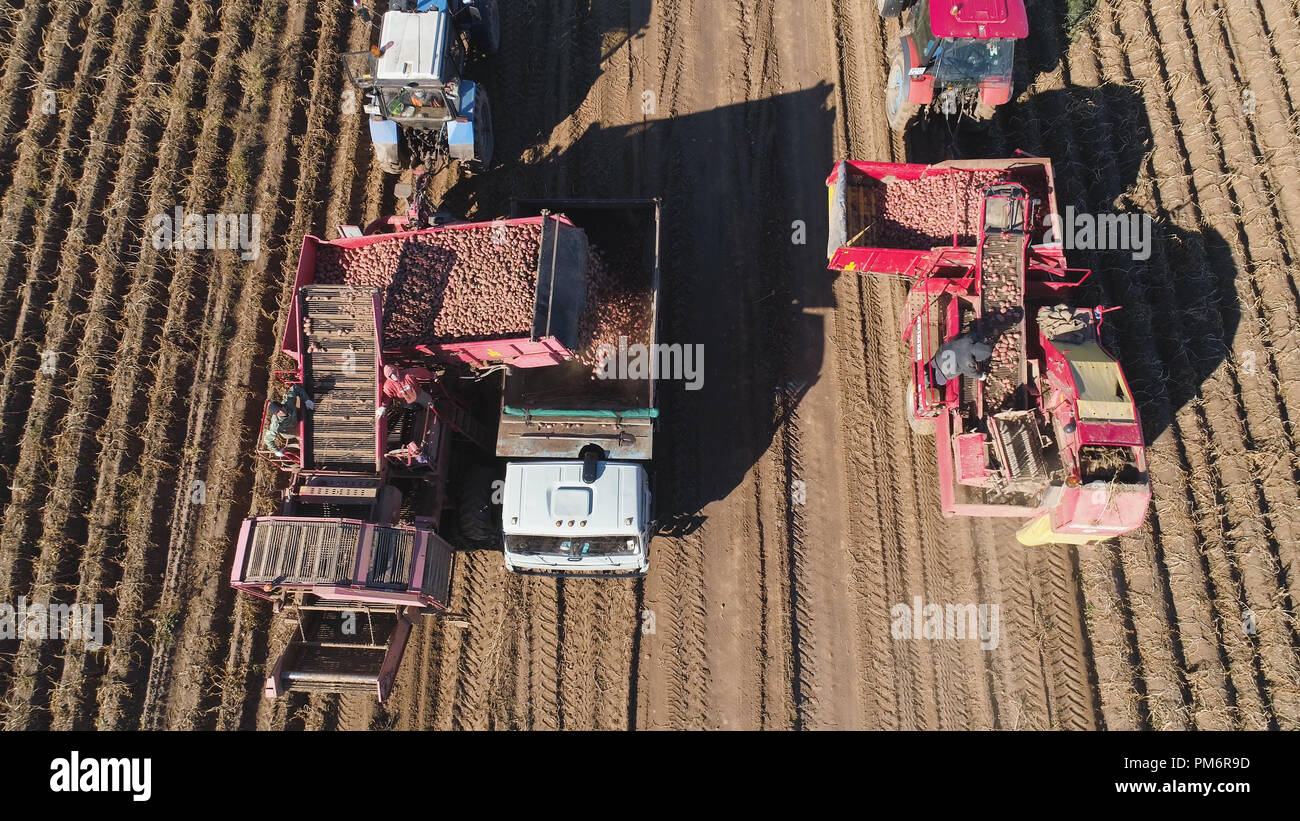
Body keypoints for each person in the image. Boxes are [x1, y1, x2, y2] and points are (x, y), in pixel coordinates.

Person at [263, 383, 314, 458]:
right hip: (288, 431)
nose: (281, 412)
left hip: (296, 418)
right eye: (278, 412)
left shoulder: (288, 402)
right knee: (303, 436)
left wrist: (306, 400)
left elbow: (295, 388)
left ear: (282, 405)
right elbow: (267, 439)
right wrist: (276, 451)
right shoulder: (276, 424)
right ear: (276, 414)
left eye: (281, 409)